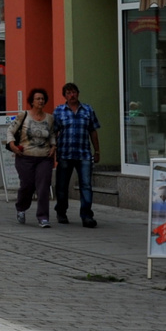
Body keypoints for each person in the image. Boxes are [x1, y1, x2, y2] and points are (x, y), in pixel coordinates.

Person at [51, 82, 101, 228]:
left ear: (78, 93)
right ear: (64, 96)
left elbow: (93, 131)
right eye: (68, 93)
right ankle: (61, 211)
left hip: (83, 154)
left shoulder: (88, 110)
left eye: (73, 92)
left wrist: (97, 151)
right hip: (65, 153)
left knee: (86, 185)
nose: (71, 95)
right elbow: (54, 132)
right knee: (62, 185)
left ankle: (86, 215)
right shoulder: (59, 111)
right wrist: (53, 149)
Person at [6, 87, 57, 227]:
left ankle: (43, 217)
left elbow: (52, 134)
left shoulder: (50, 118)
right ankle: (21, 208)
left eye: (42, 99)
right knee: (27, 185)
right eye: (37, 99)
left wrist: (53, 147)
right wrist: (12, 145)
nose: (40, 101)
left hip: (44, 158)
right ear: (32, 102)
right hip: (25, 157)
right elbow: (10, 130)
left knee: (43, 187)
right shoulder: (24, 116)